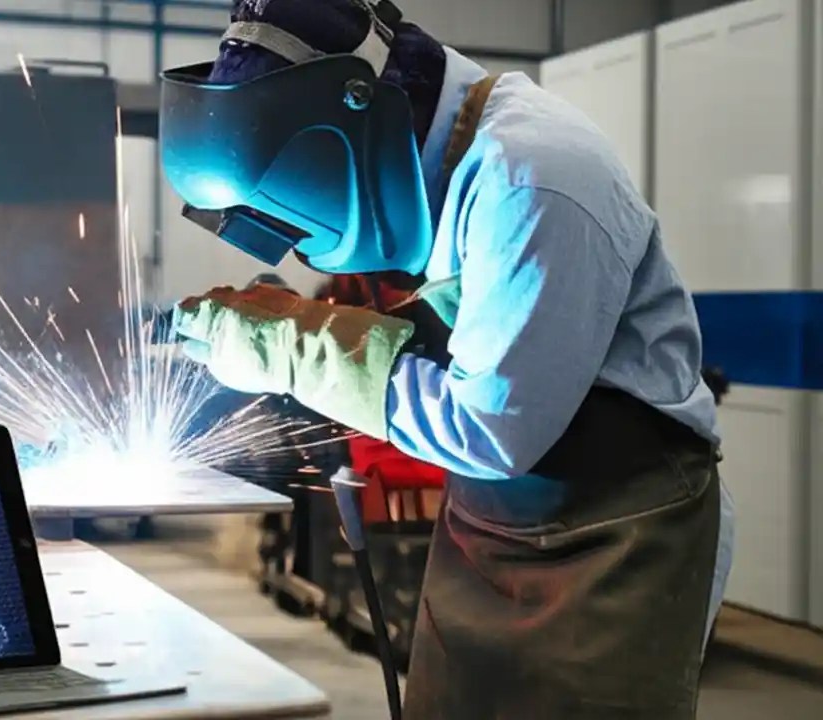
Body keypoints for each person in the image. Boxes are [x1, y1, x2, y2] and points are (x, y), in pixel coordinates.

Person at [161, 1, 734, 718]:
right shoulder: (454, 167)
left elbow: (491, 428)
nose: (304, 243)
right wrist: (293, 324)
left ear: (349, 125)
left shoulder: (531, 177)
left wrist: (291, 349)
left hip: (610, 539)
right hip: (494, 523)